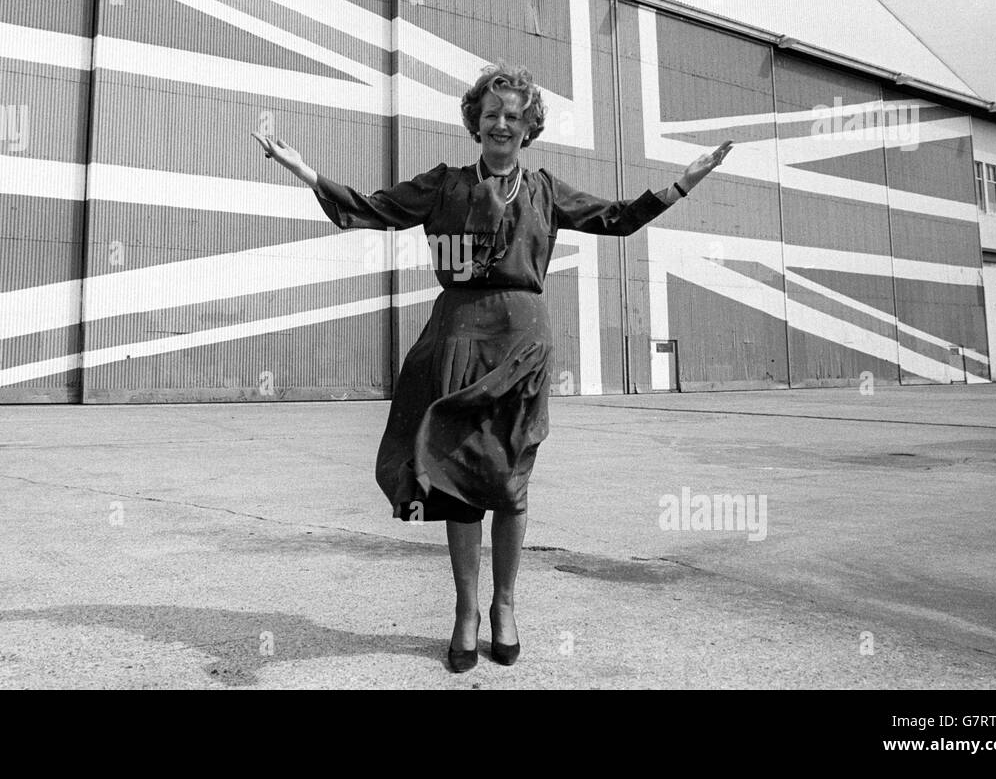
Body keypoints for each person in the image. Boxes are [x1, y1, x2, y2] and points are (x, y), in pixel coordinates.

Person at [254, 61, 731, 672]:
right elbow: (374, 209)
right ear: (475, 124)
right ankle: (465, 611)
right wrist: (306, 171)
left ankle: (505, 605)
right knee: (457, 481)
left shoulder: (544, 191)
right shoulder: (445, 186)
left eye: (514, 115)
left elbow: (615, 218)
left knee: (510, 480)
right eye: (490, 115)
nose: (501, 123)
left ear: (529, 126)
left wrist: (681, 184)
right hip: (456, 334)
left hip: (522, 340)